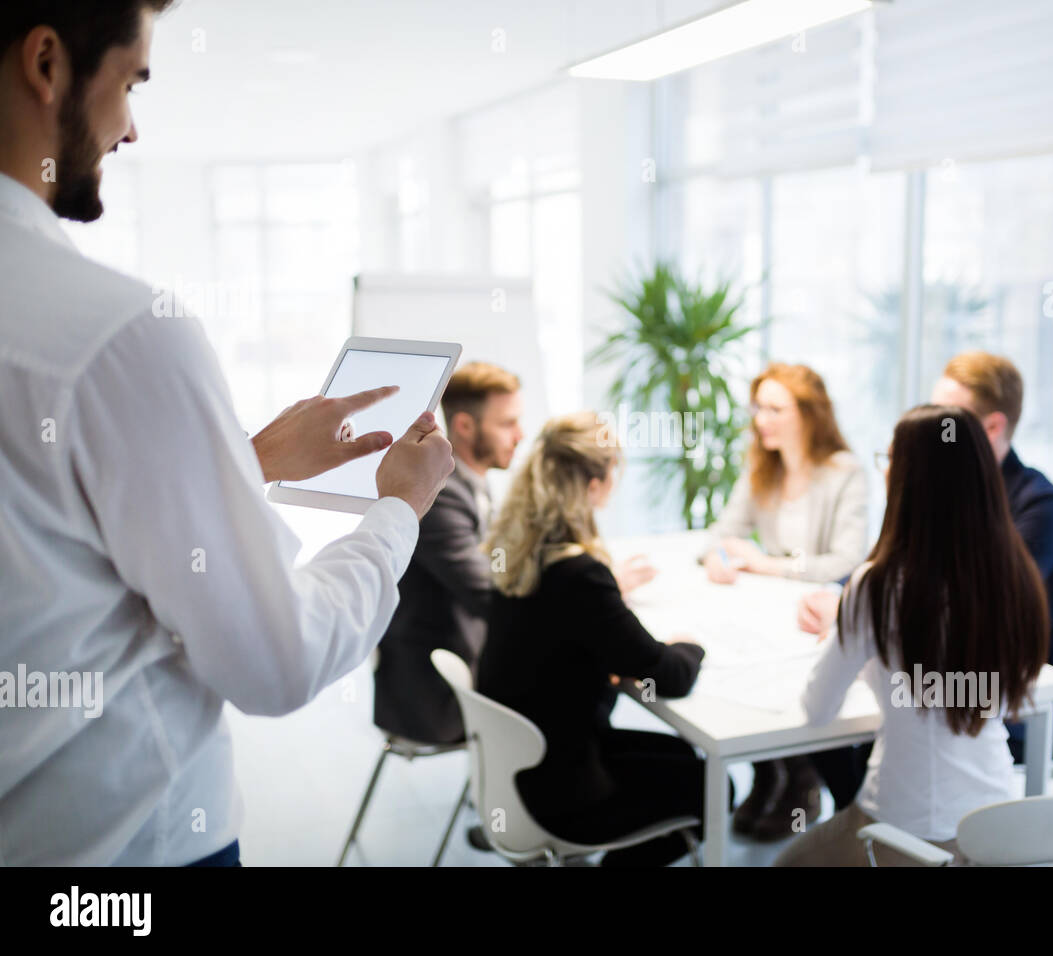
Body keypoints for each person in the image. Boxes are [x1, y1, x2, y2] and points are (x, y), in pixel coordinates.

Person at [0, 1, 454, 866]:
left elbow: (45, 541)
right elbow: (276, 660)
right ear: (48, 63)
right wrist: (399, 509)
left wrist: (246, 464)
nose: (130, 130)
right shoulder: (123, 335)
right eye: (131, 81)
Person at [774, 405, 1049, 866]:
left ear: (906, 480)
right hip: (996, 830)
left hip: (902, 834)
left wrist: (852, 636)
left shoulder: (878, 585)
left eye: (889, 460)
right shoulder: (1015, 577)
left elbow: (817, 709)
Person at [799, 351, 1053, 768]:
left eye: (949, 417)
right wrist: (846, 600)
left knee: (859, 738)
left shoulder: (1040, 507)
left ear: (990, 427)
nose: (936, 424)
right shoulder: (945, 498)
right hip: (957, 692)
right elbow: (897, 568)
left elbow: (971, 602)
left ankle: (873, 827)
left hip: (1022, 703)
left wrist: (857, 616)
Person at [475, 413, 716, 866]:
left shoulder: (521, 554)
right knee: (711, 787)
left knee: (682, 755)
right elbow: (670, 675)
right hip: (566, 795)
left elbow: (560, 638)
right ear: (591, 486)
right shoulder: (582, 575)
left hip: (521, 770)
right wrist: (691, 643)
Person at [701, 363, 869, 841]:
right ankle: (770, 773)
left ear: (809, 415)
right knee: (743, 679)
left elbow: (845, 560)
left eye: (775, 408)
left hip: (815, 615)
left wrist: (767, 564)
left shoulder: (844, 473)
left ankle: (801, 779)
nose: (761, 420)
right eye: (758, 408)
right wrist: (718, 556)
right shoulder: (763, 465)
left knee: (798, 695)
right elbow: (721, 533)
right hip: (766, 613)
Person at [373, 362, 524, 745]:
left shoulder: (473, 483)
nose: (520, 435)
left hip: (462, 663)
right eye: (507, 423)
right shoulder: (440, 496)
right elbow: (490, 594)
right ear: (465, 427)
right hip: (431, 693)